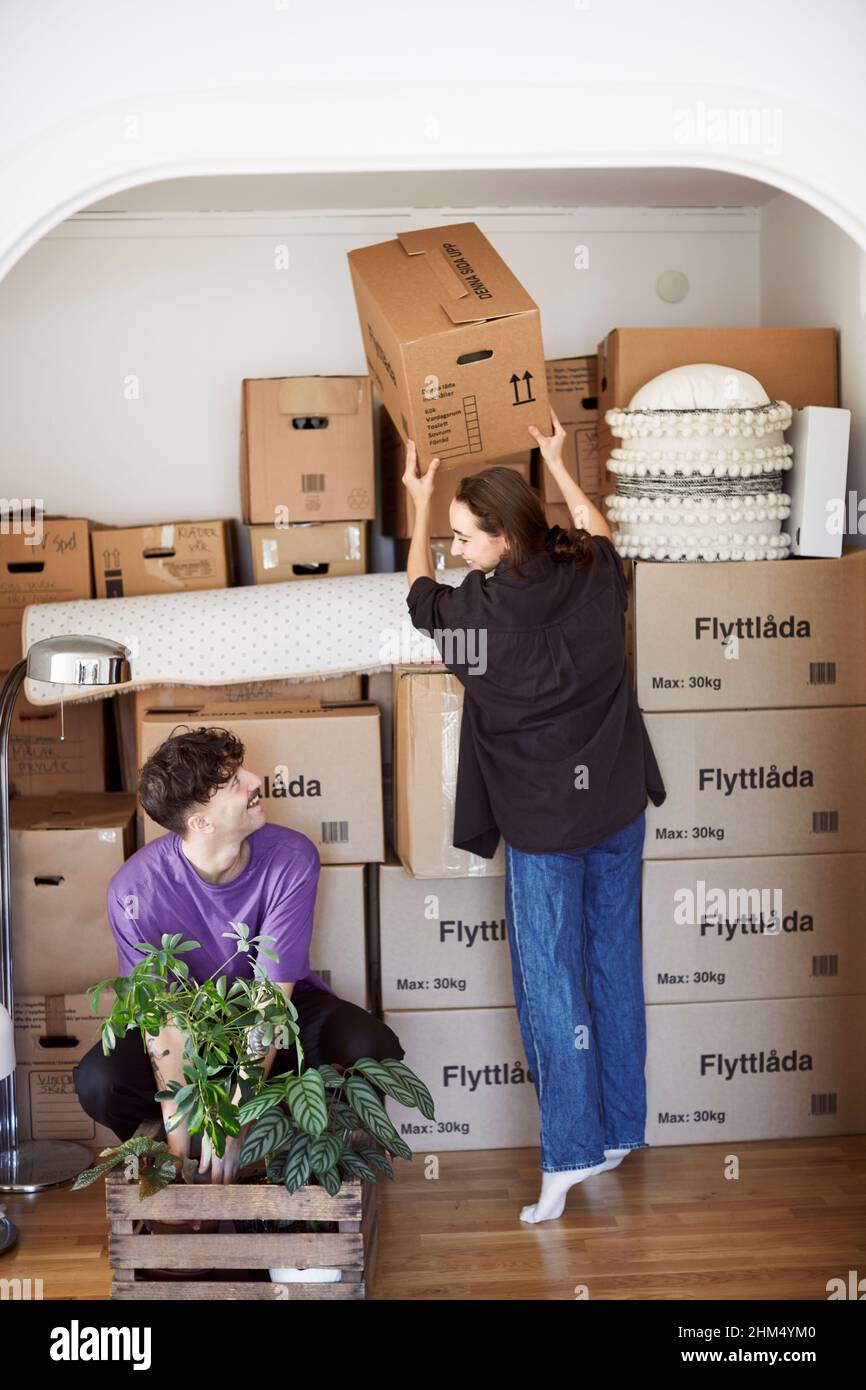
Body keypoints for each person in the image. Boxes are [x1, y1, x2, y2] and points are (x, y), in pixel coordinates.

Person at [401, 408, 667, 1224]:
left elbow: (416, 598)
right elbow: (598, 530)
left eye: (467, 538)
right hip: (618, 804)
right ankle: (621, 1129)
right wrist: (557, 459)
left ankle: (571, 1156)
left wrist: (414, 503)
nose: (456, 551)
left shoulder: (476, 621)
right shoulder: (590, 576)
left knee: (552, 984)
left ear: (506, 542)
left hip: (548, 830)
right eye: (450, 536)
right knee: (614, 962)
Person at [73, 725, 404, 1184]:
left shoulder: (291, 856)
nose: (255, 781)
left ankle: (318, 1177)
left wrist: (237, 1114)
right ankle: (186, 1170)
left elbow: (271, 999)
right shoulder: (134, 891)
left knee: (371, 1047)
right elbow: (162, 1021)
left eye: (242, 771)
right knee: (99, 1079)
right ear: (201, 822)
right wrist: (181, 1149)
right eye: (233, 783)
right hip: (189, 1026)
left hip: (275, 1012)